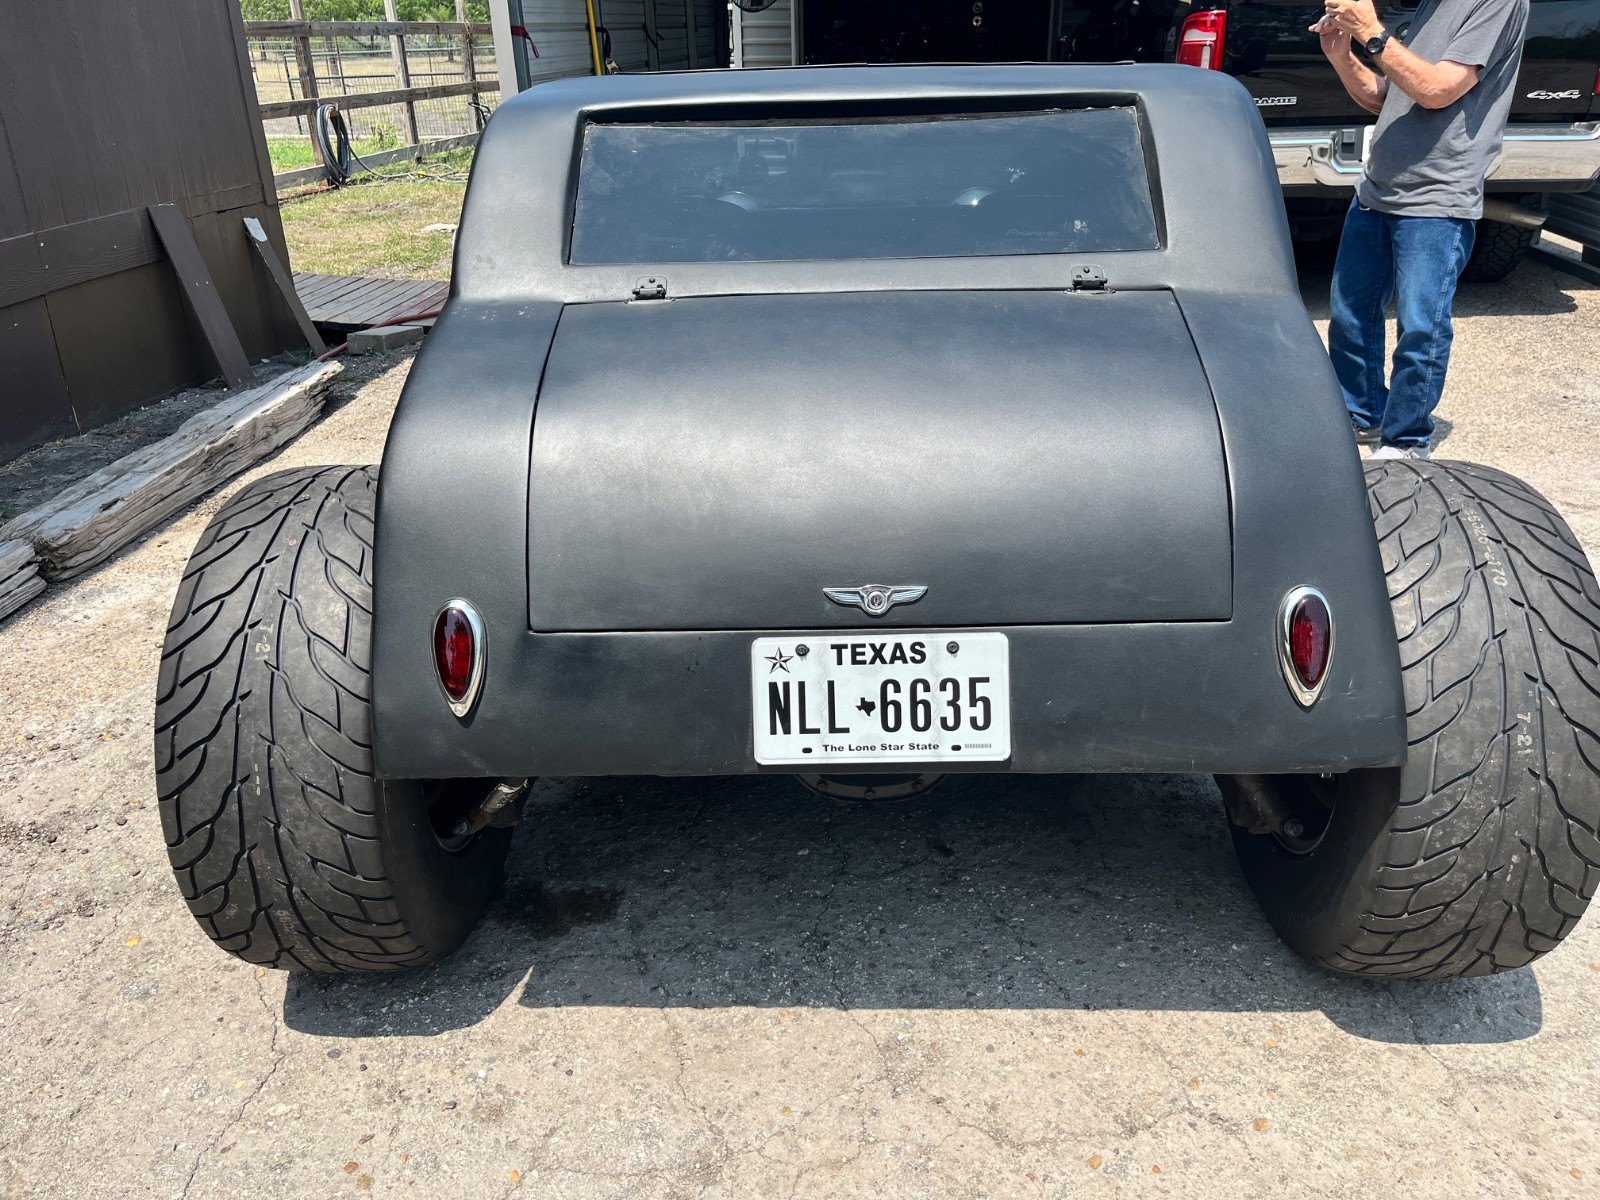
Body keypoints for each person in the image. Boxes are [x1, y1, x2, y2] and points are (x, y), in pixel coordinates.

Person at [1314, 0, 1528, 459]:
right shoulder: (1429, 8)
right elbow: (1385, 96)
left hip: (1437, 197)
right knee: (1350, 315)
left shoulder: (1496, 2)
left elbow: (1437, 90)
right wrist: (1341, 52)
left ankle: (1406, 440)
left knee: (1420, 327)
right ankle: (1362, 416)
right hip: (1377, 189)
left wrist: (1372, 31)